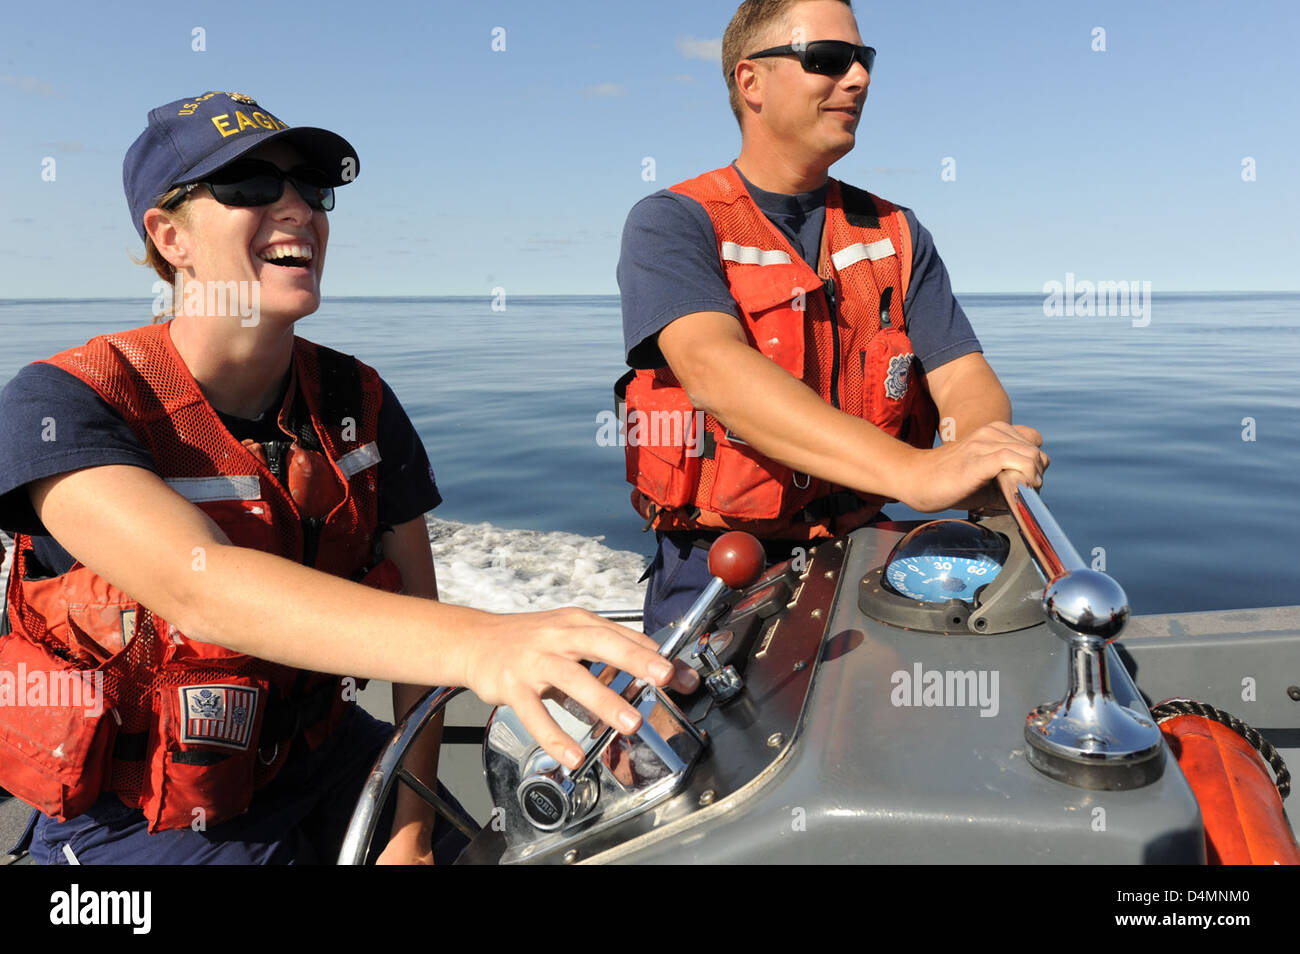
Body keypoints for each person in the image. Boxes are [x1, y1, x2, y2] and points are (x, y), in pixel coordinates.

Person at [0, 91, 694, 865]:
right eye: (251, 183)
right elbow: (200, 586)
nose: (297, 206)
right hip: (143, 816)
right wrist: (484, 645)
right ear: (169, 237)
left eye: (311, 187)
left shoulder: (357, 402)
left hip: (331, 761)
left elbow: (417, 614)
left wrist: (411, 831)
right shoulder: (66, 402)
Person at [617, 0, 1049, 632]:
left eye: (863, 60)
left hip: (865, 561)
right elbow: (714, 367)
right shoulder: (672, 223)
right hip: (718, 575)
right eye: (828, 60)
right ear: (751, 81)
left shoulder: (899, 234)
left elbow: (961, 378)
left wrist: (978, 456)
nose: (859, 78)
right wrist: (917, 473)